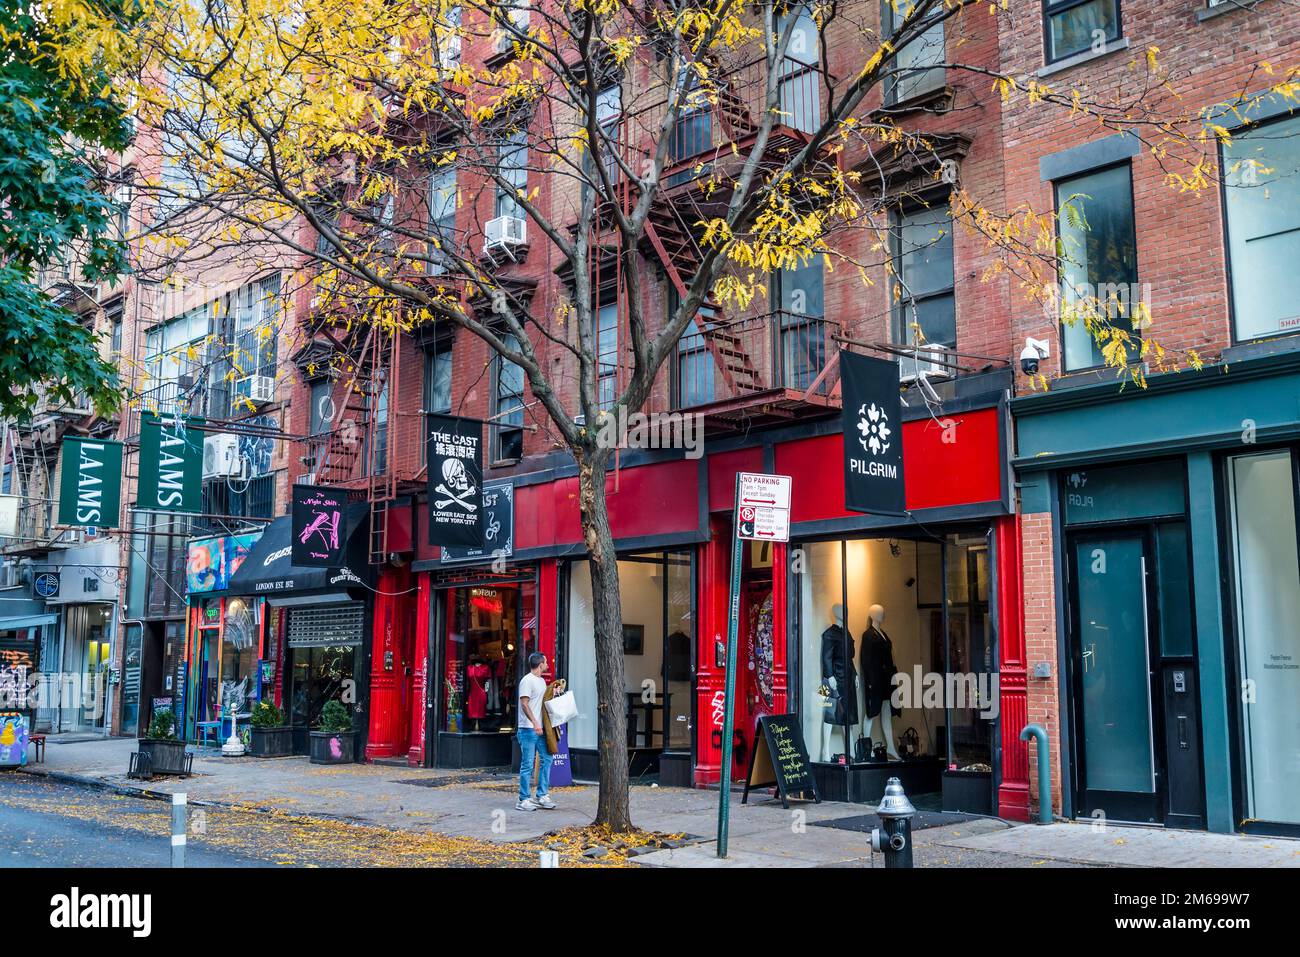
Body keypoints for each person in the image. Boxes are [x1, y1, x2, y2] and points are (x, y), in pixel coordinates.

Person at [516, 652, 556, 811]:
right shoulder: (527, 681)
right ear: (540, 665)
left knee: (547, 759)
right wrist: (535, 723)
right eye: (546, 662)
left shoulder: (541, 681)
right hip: (527, 728)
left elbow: (541, 701)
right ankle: (523, 799)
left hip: (539, 728)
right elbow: (524, 704)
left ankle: (542, 795)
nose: (547, 664)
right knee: (527, 764)